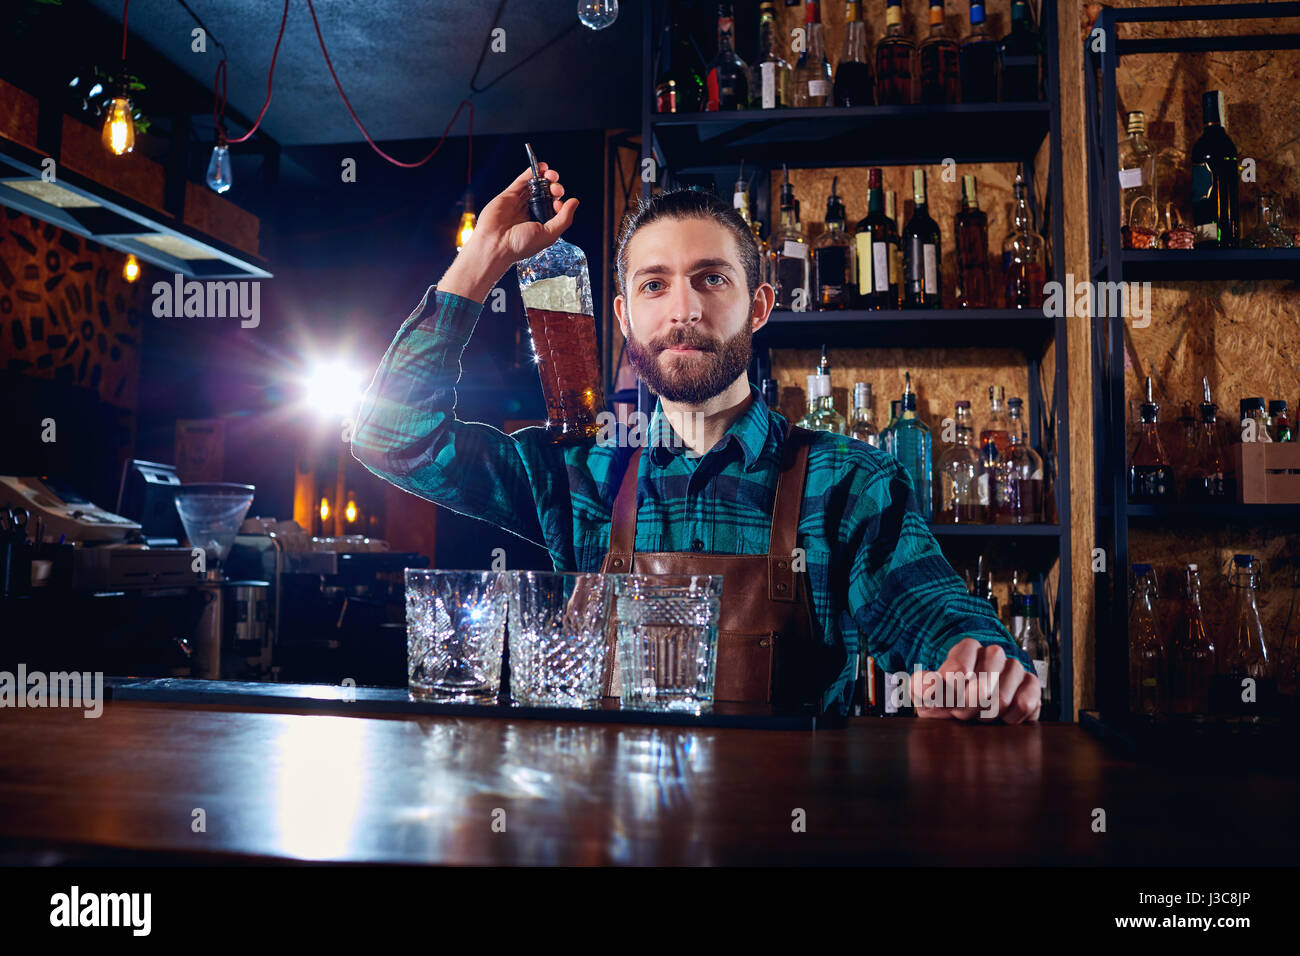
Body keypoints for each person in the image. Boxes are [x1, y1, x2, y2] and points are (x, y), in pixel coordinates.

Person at [351, 162, 1042, 722]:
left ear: (760, 305)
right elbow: (392, 436)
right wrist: (482, 261)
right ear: (624, 319)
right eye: (655, 285)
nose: (683, 309)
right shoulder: (578, 478)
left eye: (711, 279)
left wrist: (969, 662)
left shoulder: (849, 484)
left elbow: (932, 610)